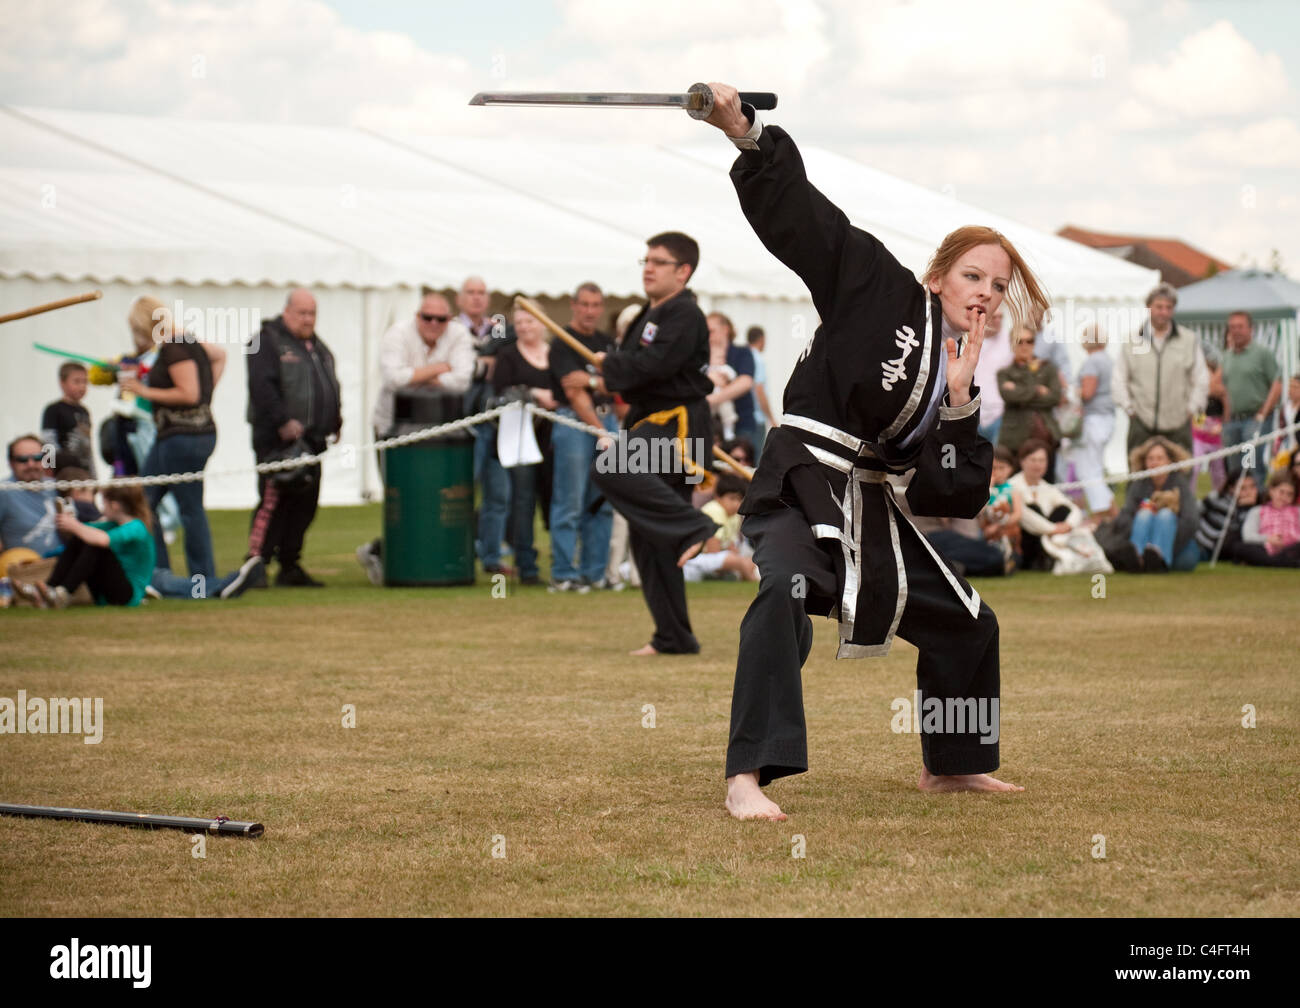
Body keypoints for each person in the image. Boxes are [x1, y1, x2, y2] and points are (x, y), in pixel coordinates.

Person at [698, 84, 1048, 821]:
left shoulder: (957, 373)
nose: (984, 294)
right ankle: (746, 775)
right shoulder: (877, 286)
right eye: (972, 277)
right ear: (939, 275)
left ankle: (952, 766)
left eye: (997, 287)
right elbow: (811, 226)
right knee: (783, 592)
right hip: (801, 484)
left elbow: (946, 499)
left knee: (969, 622)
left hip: (874, 508)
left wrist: (958, 406)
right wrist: (748, 136)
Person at [589, 230, 720, 656]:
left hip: (676, 426)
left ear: (682, 272)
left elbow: (653, 366)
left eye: (658, 262)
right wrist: (613, 371)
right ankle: (674, 636)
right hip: (654, 423)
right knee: (648, 534)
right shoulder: (652, 314)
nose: (648, 268)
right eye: (645, 260)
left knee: (611, 467)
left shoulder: (684, 314)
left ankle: (694, 526)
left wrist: (611, 368)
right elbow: (636, 371)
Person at [357, 291, 475, 585]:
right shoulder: (397, 335)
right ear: (417, 316)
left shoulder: (459, 335)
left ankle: (405, 556)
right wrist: (438, 369)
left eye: (441, 319)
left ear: (449, 319)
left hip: (445, 434)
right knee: (404, 500)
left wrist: (417, 374)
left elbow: (462, 380)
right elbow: (394, 379)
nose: (434, 323)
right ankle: (387, 556)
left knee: (436, 504)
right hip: (393, 429)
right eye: (427, 317)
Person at [119, 299, 224, 583]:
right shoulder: (189, 342)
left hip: (181, 438)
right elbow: (219, 355)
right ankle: (162, 572)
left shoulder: (174, 348)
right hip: (193, 435)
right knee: (149, 501)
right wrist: (207, 392)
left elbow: (188, 394)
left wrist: (143, 390)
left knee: (181, 506)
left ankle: (196, 578)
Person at [245, 288, 342, 587]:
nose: (307, 319)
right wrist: (282, 421)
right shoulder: (264, 341)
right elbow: (262, 388)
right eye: (302, 313)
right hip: (278, 440)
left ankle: (290, 565)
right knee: (273, 501)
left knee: (305, 504)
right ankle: (255, 563)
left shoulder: (317, 347)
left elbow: (329, 386)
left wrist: (335, 420)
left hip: (313, 441)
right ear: (286, 312)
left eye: (312, 313)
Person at [549, 283, 618, 592]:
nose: (590, 311)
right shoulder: (562, 342)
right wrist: (600, 430)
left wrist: (593, 380)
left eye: (596, 305)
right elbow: (574, 392)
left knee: (602, 502)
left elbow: (620, 386)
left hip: (608, 419)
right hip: (575, 424)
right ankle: (564, 573)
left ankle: (595, 572)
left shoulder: (607, 343)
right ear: (574, 305)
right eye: (585, 304)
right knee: (570, 500)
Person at [492, 307, 561, 586]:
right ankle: (526, 564)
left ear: (542, 322)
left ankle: (563, 561)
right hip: (520, 437)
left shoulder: (556, 353)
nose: (523, 326)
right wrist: (532, 393)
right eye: (518, 322)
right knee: (523, 500)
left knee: (556, 498)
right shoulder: (507, 355)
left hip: (555, 438)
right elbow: (499, 393)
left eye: (529, 320)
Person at [459, 275, 515, 576]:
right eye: (471, 293)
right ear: (460, 298)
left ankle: (491, 558)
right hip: (464, 423)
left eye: (482, 293)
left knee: (498, 494)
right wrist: (484, 366)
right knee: (464, 491)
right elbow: (461, 372)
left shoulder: (500, 331)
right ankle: (461, 553)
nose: (477, 298)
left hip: (496, 423)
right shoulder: (452, 331)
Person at [1114, 283, 1207, 457]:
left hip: (1178, 424)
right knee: (1139, 479)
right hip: (1141, 423)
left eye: (1168, 307)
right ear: (1148, 308)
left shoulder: (1189, 340)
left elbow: (1201, 379)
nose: (1163, 312)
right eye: (1159, 307)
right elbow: (1119, 378)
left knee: (1180, 477)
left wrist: (1191, 409)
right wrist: (1129, 409)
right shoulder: (1132, 341)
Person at [24, 485, 154, 609]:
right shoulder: (113, 524)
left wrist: (74, 525)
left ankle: (63, 593)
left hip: (127, 597)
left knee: (95, 544)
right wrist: (70, 523)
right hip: (106, 592)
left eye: (104, 503)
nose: (102, 508)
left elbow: (102, 540)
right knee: (82, 538)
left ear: (115, 506)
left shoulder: (137, 526)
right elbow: (85, 530)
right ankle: (49, 589)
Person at [1115, 436, 1200, 573]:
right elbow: (1125, 516)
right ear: (1144, 462)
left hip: (1174, 541)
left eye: (1160, 458)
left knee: (1165, 515)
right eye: (1151, 458)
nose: (1155, 463)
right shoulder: (1139, 484)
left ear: (1170, 461)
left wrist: (1168, 538)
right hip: (1142, 535)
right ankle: (1138, 558)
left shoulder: (1180, 483)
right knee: (1145, 514)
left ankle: (1159, 559)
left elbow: (1191, 520)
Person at [1220, 310, 1282, 478]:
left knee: (1251, 466)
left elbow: (1277, 383)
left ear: (1250, 329)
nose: (1236, 331)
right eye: (1232, 327)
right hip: (1231, 422)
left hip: (1254, 420)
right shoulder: (1226, 357)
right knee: (1233, 468)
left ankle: (1257, 501)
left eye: (1240, 326)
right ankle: (1237, 503)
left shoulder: (1262, 353)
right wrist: (1225, 416)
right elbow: (1222, 388)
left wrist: (1264, 411)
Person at [1009, 439, 1086, 572]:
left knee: (1062, 509)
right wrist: (1053, 529)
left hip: (1047, 535)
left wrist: (1068, 525)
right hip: (1024, 540)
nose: (1037, 465)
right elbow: (1025, 517)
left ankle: (1049, 557)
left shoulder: (1048, 488)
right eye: (1033, 460)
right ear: (1022, 461)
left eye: (1041, 460)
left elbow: (1074, 510)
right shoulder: (1012, 485)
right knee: (1034, 509)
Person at [997, 324, 1063, 474]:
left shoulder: (1048, 368)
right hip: (1015, 441)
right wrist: (1038, 390)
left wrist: (1019, 391)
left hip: (1046, 439)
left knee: (1047, 489)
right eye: (1020, 341)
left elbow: (1054, 397)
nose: (1025, 345)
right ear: (1012, 344)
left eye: (1030, 341)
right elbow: (1009, 396)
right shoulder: (1005, 373)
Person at [681, 473, 758, 583]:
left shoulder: (734, 515)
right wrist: (737, 561)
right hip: (694, 560)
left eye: (740, 499)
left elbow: (731, 545)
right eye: (732, 498)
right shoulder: (715, 510)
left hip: (714, 559)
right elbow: (713, 550)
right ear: (718, 497)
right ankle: (753, 584)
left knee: (749, 561)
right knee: (741, 562)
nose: (736, 504)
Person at [1074, 324, 1116, 518]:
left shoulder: (1092, 362)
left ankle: (1103, 515)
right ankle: (1109, 515)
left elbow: (1087, 393)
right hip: (1108, 418)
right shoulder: (1109, 360)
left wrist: (1071, 392)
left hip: (1094, 420)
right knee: (1095, 469)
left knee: (1089, 472)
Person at [0, 434, 59, 558]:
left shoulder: (57, 486)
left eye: (37, 458)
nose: (31, 464)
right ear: (11, 463)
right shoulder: (4, 490)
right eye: (22, 460)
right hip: (22, 571)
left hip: (61, 567)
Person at [705, 312, 756, 442]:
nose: (708, 336)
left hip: (741, 424)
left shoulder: (742, 352)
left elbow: (745, 382)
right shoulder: (702, 356)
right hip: (709, 427)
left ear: (726, 329)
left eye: (711, 331)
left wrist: (711, 400)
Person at [40, 362, 95, 474]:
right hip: (62, 472)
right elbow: (48, 442)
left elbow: (88, 447)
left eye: (85, 382)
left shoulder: (84, 411)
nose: (82, 386)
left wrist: (93, 476)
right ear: (62, 383)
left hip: (83, 471)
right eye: (77, 381)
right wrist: (49, 472)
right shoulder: (53, 409)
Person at [1236, 471, 1300, 567]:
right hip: (1265, 548)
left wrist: (1289, 541)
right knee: (1239, 547)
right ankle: (1283, 562)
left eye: (1289, 494)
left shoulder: (1297, 511)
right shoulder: (1258, 511)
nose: (1284, 497)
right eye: (1281, 492)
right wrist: (1268, 539)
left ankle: (1271, 562)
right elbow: (1248, 535)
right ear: (1271, 491)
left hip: (1292, 549)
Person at [1194, 471, 1257, 563]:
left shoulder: (1252, 510)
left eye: (1252, 487)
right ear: (1231, 489)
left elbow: (1240, 533)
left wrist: (1245, 507)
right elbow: (1195, 510)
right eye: (1243, 488)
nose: (1249, 492)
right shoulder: (1217, 498)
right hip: (1196, 539)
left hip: (1210, 550)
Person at [972, 309, 1011, 444]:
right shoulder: (970, 338)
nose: (998, 321)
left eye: (1001, 317)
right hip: (973, 410)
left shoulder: (1010, 341)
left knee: (996, 461)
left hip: (1000, 412)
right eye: (994, 317)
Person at [746, 326, 776, 454]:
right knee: (754, 459)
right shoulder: (757, 359)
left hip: (744, 417)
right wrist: (771, 418)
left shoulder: (745, 357)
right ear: (761, 339)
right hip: (756, 419)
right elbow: (759, 390)